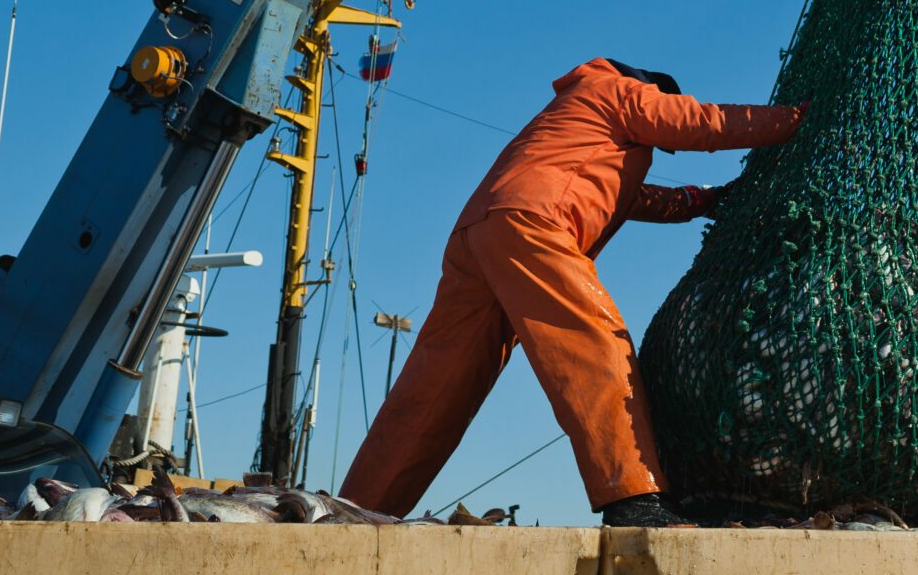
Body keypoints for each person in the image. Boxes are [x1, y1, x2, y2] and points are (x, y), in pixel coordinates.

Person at [336, 57, 808, 527]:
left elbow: (627, 195)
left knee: (434, 387)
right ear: (655, 90)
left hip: (478, 233)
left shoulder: (575, 115)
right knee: (596, 344)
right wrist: (796, 120)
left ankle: (355, 510)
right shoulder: (621, 91)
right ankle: (633, 497)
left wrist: (695, 201)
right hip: (533, 222)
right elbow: (700, 123)